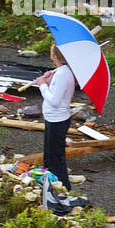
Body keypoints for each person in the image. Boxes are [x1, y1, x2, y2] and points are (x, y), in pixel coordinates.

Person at [34, 43, 75, 193]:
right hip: (53, 118)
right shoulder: (61, 71)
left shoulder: (63, 74)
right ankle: (49, 183)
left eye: (51, 51)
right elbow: (57, 90)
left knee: (56, 156)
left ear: (55, 55)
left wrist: (42, 85)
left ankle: (63, 186)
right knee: (49, 154)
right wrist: (49, 80)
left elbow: (55, 100)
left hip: (57, 120)